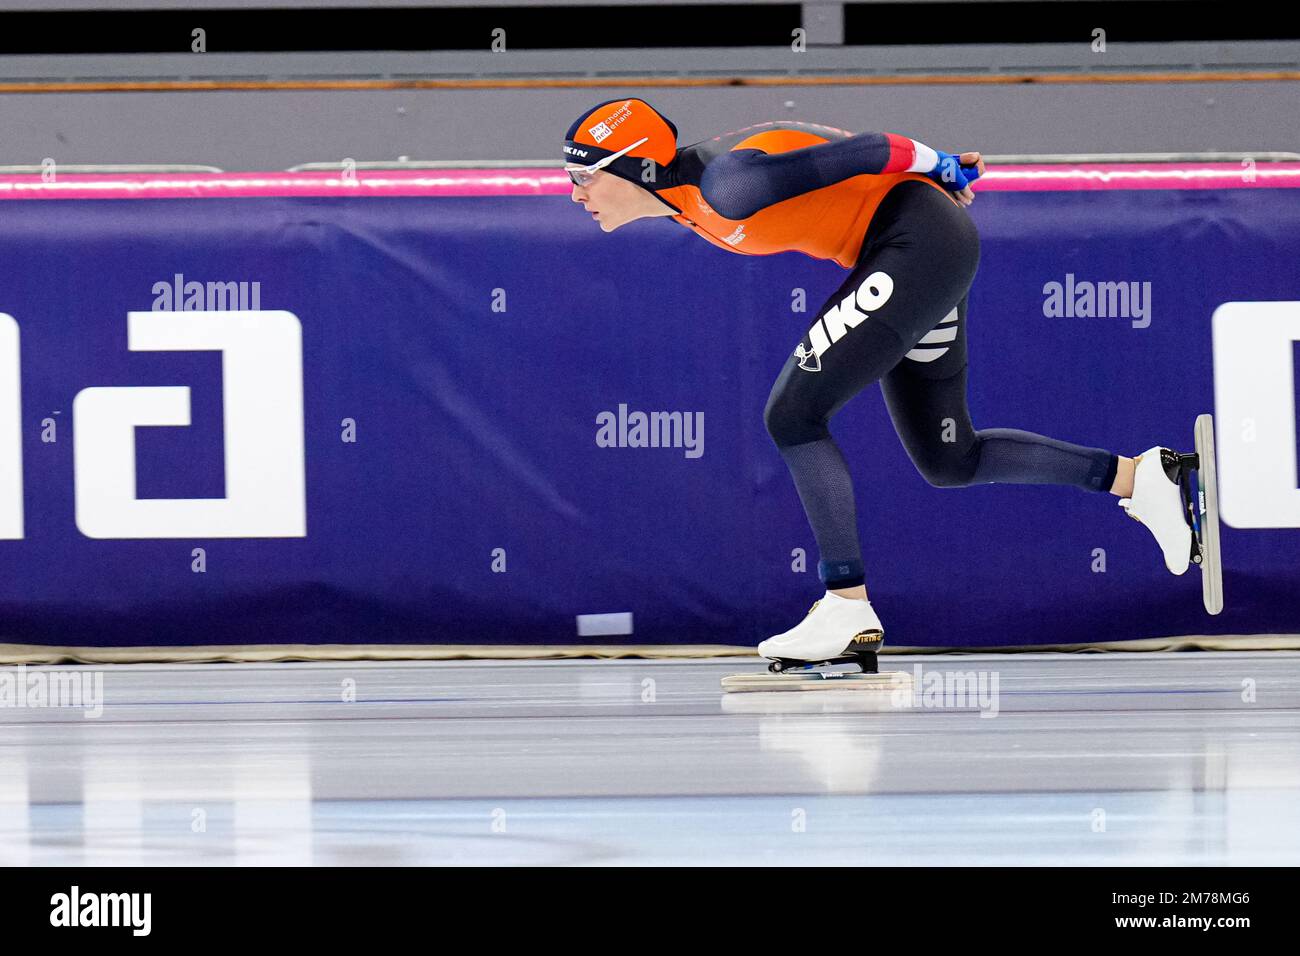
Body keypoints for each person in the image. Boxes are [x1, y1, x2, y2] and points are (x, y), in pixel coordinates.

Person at [563, 97, 1195, 668]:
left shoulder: (727, 186)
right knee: (950, 456)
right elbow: (815, 148)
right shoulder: (685, 203)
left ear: (634, 168)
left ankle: (846, 604)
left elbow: (865, 149)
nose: (574, 194)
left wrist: (938, 164)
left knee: (793, 415)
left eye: (582, 176)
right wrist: (928, 180)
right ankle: (1144, 479)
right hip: (915, 247)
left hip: (915, 243)